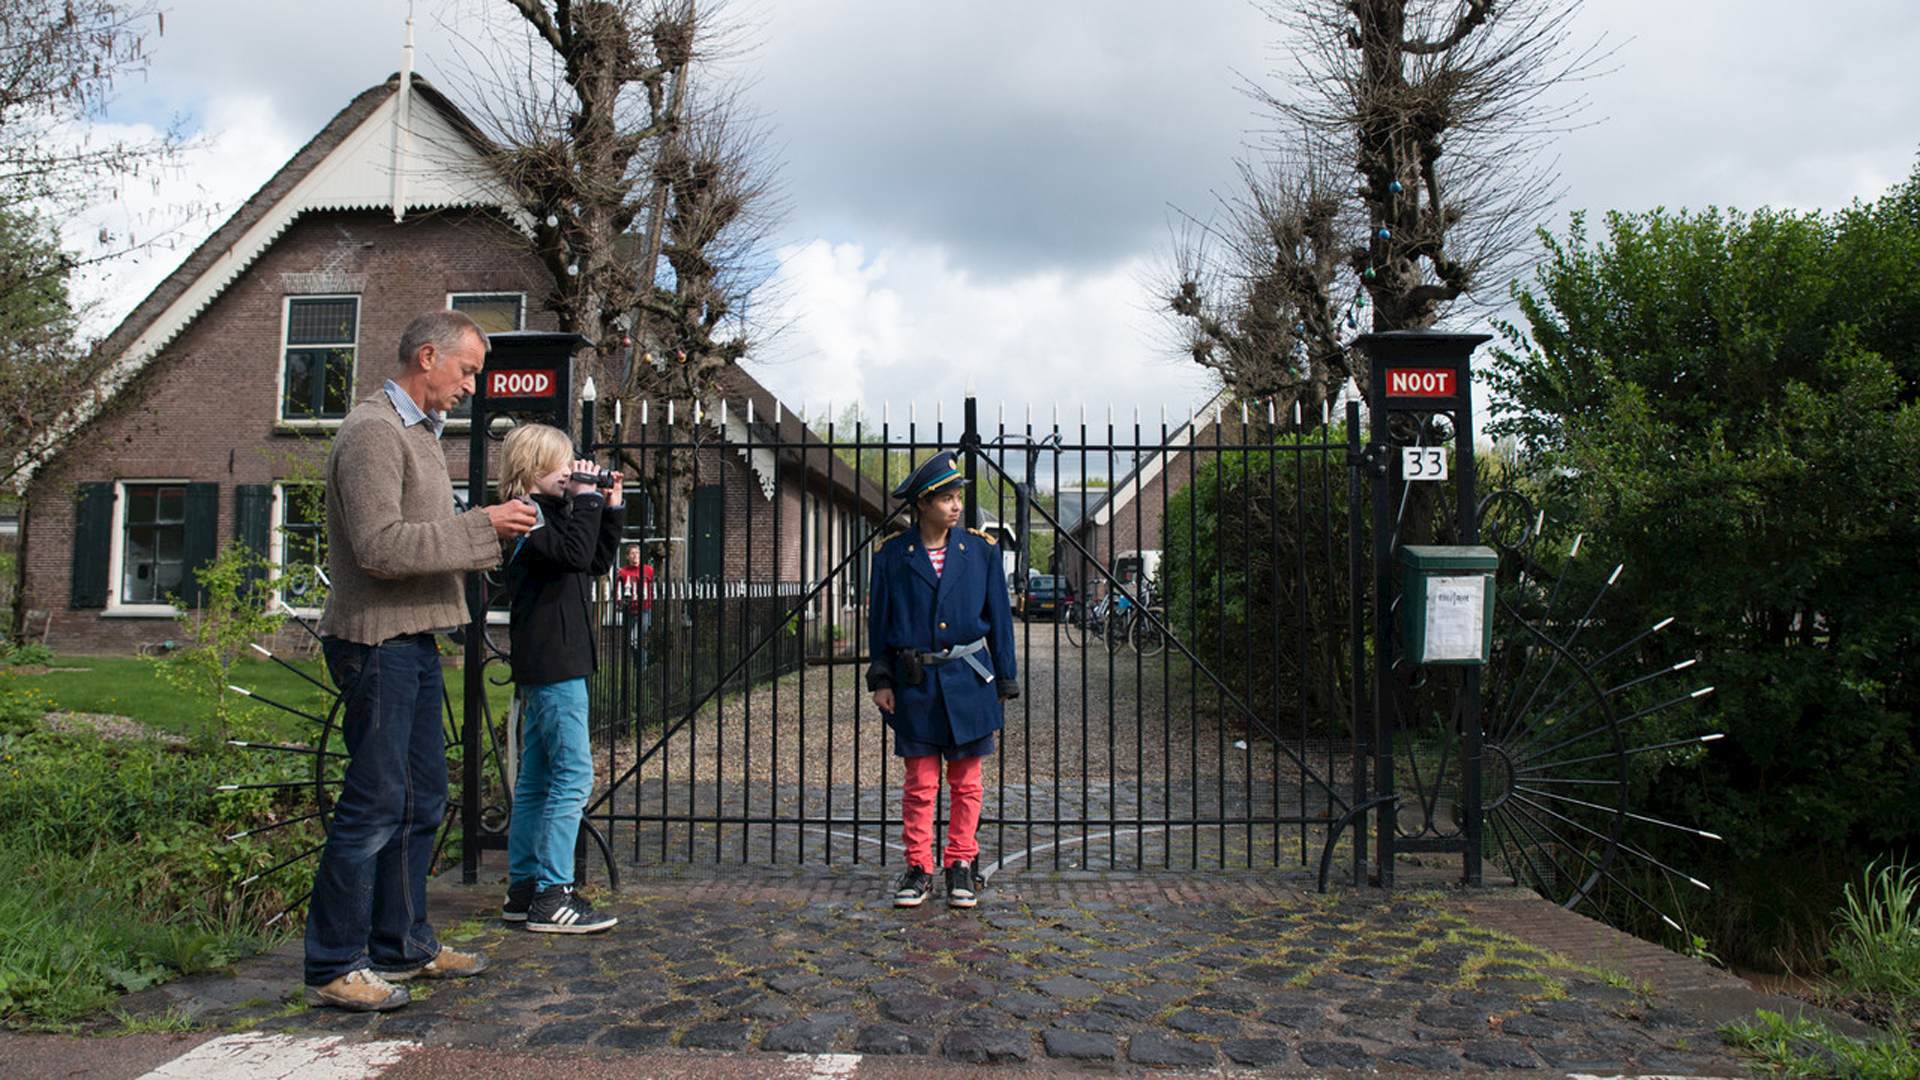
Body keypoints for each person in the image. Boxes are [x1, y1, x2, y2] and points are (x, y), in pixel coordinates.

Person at [305, 310, 538, 1012]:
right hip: (375, 640)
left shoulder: (418, 434)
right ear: (428, 356)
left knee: (422, 799)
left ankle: (400, 945)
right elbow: (380, 548)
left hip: (411, 637)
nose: (471, 385)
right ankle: (332, 964)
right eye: (467, 370)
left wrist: (490, 528)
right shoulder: (374, 432)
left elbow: (426, 535)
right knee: (374, 803)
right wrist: (481, 527)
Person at [866, 450, 1018, 909]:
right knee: (920, 783)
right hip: (916, 686)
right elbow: (880, 623)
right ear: (923, 504)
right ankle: (918, 867)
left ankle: (961, 864)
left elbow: (1001, 620)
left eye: (957, 498)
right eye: (947, 498)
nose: (956, 506)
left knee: (968, 782)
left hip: (970, 683)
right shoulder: (893, 556)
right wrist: (881, 678)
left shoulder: (982, 553)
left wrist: (1005, 679)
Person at [496, 423, 624, 934]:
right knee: (572, 777)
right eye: (562, 464)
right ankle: (553, 894)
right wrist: (588, 496)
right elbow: (573, 553)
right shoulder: (525, 519)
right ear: (531, 468)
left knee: (536, 780)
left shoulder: (546, 516)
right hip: (554, 667)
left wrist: (607, 508)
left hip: (555, 663)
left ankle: (523, 889)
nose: (572, 471)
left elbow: (590, 560)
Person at [614, 543, 654, 662]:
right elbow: (618, 591)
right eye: (632, 553)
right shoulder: (623, 572)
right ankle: (638, 667)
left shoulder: (648, 570)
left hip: (644, 610)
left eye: (637, 553)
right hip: (630, 611)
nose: (635, 556)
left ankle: (643, 665)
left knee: (635, 638)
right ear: (627, 557)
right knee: (632, 641)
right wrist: (620, 603)